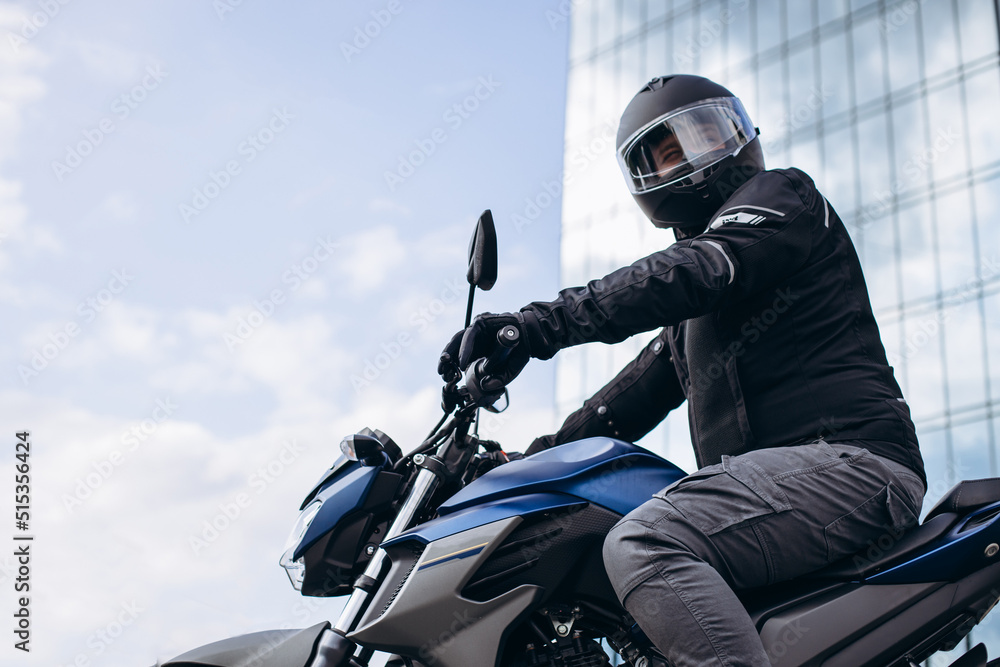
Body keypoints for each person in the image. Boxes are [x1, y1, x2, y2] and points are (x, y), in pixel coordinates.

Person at [438, 74, 926, 666]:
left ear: (739, 132)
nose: (692, 157)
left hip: (857, 466)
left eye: (703, 135)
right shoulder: (690, 322)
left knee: (645, 542)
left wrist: (536, 326)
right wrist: (518, 466)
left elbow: (696, 270)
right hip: (782, 492)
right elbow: (619, 407)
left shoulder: (782, 199)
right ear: (645, 180)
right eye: (669, 153)